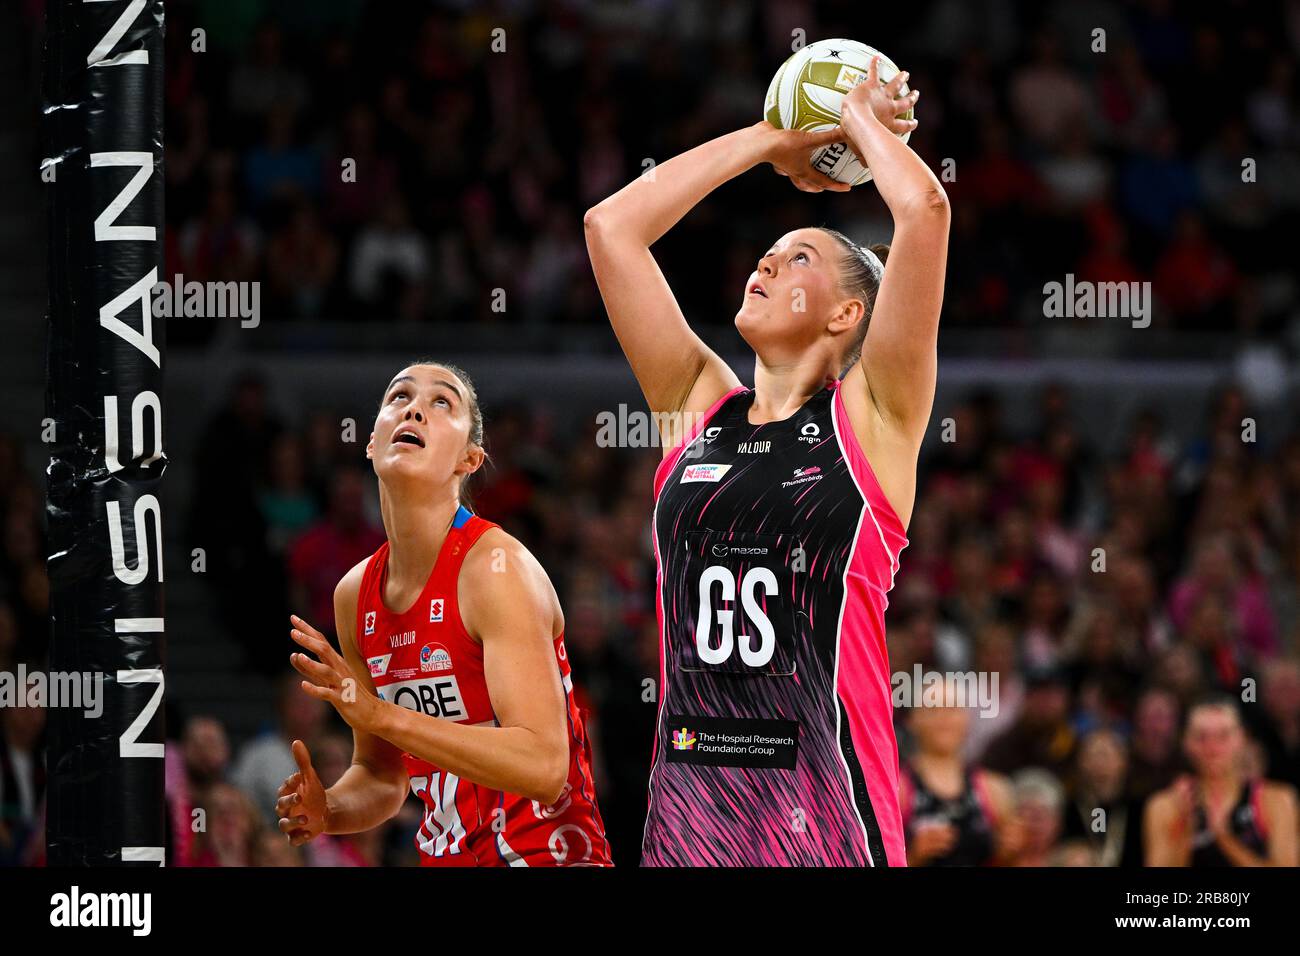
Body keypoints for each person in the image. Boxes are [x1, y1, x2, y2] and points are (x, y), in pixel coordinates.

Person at [586, 57, 947, 865]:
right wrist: (770, 138)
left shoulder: (875, 420)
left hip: (825, 807)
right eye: (768, 253)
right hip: (692, 808)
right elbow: (611, 228)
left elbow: (924, 210)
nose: (767, 264)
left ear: (848, 313)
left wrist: (858, 120)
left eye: (798, 259)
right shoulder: (696, 405)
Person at [276, 362, 611, 866]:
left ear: (470, 458)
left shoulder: (497, 569)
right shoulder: (354, 595)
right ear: (372, 443)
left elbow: (544, 765)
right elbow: (383, 773)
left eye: (441, 402)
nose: (413, 407)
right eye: (399, 397)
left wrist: (386, 715)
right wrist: (332, 809)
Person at [1143, 697, 1298, 866]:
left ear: (1242, 739)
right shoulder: (1166, 805)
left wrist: (1223, 838)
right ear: (1186, 743)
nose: (1212, 747)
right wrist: (1185, 830)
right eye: (1201, 737)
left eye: (1223, 736)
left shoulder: (1276, 800)